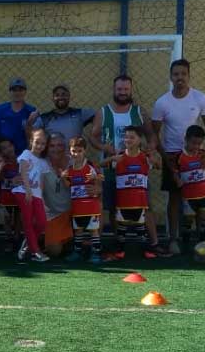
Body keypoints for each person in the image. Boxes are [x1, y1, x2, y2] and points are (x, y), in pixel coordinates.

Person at [89, 74, 164, 253]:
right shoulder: (103, 111)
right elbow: (92, 136)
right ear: (114, 90)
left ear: (130, 90)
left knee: (146, 205)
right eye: (119, 89)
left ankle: (154, 243)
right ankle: (119, 243)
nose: (122, 92)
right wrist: (103, 147)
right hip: (112, 166)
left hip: (136, 168)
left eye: (126, 89)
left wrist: (151, 149)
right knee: (114, 206)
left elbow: (151, 134)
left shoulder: (139, 112)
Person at [152, 59, 205, 254]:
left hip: (196, 155)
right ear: (171, 77)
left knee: (198, 196)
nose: (180, 78)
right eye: (176, 74)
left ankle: (200, 241)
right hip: (172, 154)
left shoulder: (200, 98)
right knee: (175, 197)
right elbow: (154, 134)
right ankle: (173, 239)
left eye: (183, 74)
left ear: (189, 76)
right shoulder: (162, 102)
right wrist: (165, 157)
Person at [106, 126, 162, 260]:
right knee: (122, 228)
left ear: (140, 140)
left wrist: (155, 159)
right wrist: (111, 159)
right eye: (126, 137)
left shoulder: (145, 157)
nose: (128, 139)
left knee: (140, 228)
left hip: (140, 201)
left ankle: (145, 250)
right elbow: (101, 164)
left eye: (132, 137)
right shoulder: (119, 157)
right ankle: (120, 251)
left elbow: (158, 166)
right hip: (123, 201)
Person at [61, 136, 104, 263]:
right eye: (74, 151)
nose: (77, 154)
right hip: (77, 207)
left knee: (93, 231)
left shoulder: (90, 167)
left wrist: (96, 178)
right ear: (70, 151)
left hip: (90, 207)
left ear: (84, 151)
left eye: (79, 151)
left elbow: (101, 179)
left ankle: (96, 253)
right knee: (78, 230)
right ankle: (77, 252)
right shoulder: (69, 170)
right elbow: (68, 185)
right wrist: (63, 178)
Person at [13, 128, 51, 263]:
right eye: (37, 142)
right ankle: (35, 252)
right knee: (28, 222)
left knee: (42, 223)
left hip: (36, 194)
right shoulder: (26, 154)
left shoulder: (43, 162)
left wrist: (43, 200)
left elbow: (41, 183)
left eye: (43, 143)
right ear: (31, 141)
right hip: (23, 191)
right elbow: (23, 172)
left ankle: (27, 244)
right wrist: (28, 190)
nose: (40, 146)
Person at [175, 125, 205, 248]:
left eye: (199, 143)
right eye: (193, 143)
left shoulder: (202, 154)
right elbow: (174, 171)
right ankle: (186, 243)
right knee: (188, 220)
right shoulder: (179, 156)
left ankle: (204, 244)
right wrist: (177, 180)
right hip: (189, 196)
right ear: (186, 139)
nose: (196, 146)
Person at [41, 132, 74, 258]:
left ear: (65, 147)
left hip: (74, 212)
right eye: (52, 146)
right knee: (54, 252)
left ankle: (89, 244)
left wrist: (96, 187)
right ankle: (40, 239)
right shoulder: (41, 165)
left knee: (97, 203)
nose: (56, 149)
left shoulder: (75, 162)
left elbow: (94, 178)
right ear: (47, 148)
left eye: (59, 145)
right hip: (54, 214)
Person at [27, 84, 95, 143]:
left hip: (74, 156)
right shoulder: (44, 117)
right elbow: (30, 136)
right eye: (57, 95)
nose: (60, 97)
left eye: (64, 94)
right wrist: (29, 123)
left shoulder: (80, 113)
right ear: (53, 99)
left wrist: (94, 134)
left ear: (69, 97)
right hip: (52, 157)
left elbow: (100, 115)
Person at [0, 77, 36, 155]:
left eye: (20, 90)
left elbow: (36, 136)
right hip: (3, 154)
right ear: (9, 92)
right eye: (14, 90)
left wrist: (29, 154)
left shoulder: (31, 111)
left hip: (25, 153)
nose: (17, 93)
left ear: (25, 92)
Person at [0, 138, 21, 253]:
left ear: (13, 146)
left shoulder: (21, 160)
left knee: (18, 217)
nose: (8, 150)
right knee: (7, 218)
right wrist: (1, 168)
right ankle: (8, 239)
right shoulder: (2, 163)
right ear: (0, 152)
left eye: (9, 146)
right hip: (6, 194)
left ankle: (17, 238)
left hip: (19, 194)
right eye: (4, 148)